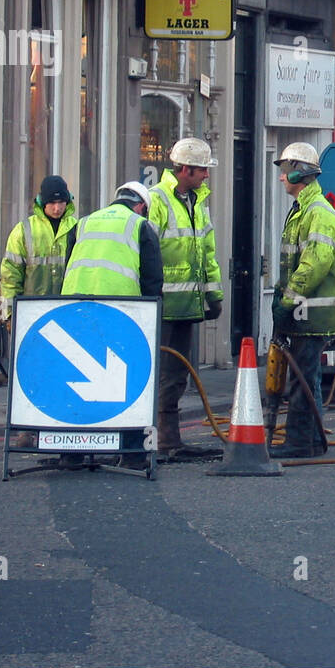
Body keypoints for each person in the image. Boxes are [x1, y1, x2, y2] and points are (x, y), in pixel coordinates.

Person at [147, 138, 224, 458]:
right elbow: (146, 251)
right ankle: (160, 438)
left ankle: (169, 439)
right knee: (161, 373)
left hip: (186, 306)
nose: (206, 175)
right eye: (202, 170)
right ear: (186, 169)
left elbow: (207, 253)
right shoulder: (158, 200)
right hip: (163, 307)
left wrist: (213, 295)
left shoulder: (197, 203)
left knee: (177, 375)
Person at [270, 142, 335, 459]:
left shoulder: (318, 214)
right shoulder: (305, 210)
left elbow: (313, 266)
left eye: (285, 171)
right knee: (307, 377)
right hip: (306, 310)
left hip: (311, 313)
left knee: (302, 380)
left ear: (300, 171)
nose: (281, 178)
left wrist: (285, 304)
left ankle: (300, 442)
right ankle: (311, 440)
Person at [61, 182, 163, 299]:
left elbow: (68, 262)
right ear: (142, 206)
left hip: (74, 299)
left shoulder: (84, 222)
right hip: (118, 303)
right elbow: (152, 278)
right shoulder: (140, 225)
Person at [0, 175, 79, 310]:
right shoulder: (24, 230)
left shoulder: (76, 227)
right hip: (32, 310)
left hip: (67, 309)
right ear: (42, 202)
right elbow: (10, 275)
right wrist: (10, 312)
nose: (57, 208)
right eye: (52, 203)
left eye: (61, 202)